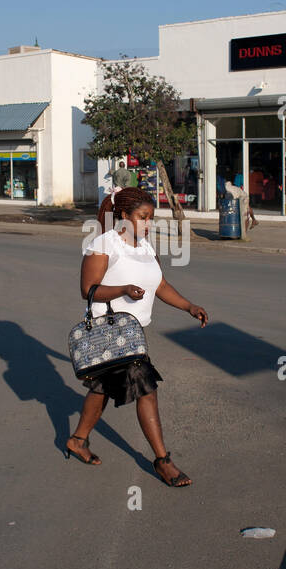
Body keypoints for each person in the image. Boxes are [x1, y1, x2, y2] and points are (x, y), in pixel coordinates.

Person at [67, 187, 208, 487]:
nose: (148, 223)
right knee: (147, 388)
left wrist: (189, 306)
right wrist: (123, 289)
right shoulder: (104, 244)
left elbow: (161, 285)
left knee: (103, 389)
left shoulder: (144, 246)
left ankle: (78, 440)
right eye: (143, 217)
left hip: (132, 333)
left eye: (151, 218)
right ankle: (163, 461)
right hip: (111, 332)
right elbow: (87, 289)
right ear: (123, 215)